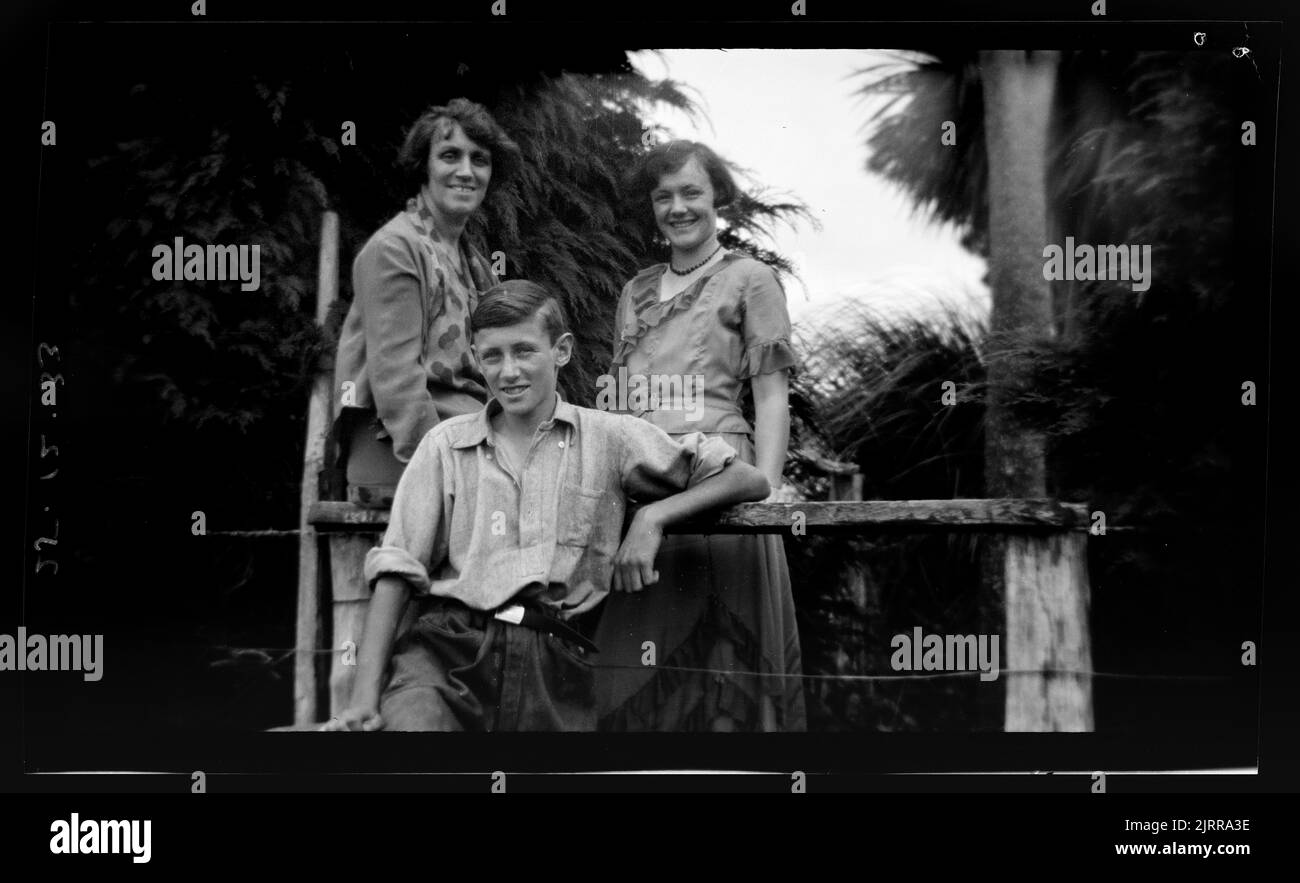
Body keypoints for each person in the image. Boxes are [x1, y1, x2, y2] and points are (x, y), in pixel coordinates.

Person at [322, 280, 771, 732]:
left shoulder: (610, 438)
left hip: (554, 659)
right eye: (493, 356)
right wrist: (363, 701)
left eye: (525, 351)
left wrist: (654, 517)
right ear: (476, 360)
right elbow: (398, 569)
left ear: (561, 351)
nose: (509, 371)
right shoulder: (445, 445)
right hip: (448, 652)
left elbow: (748, 479)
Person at [592, 140, 808, 732]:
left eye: (692, 192)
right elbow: (625, 403)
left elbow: (771, 396)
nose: (678, 207)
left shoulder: (749, 278)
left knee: (722, 666)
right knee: (640, 667)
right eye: (664, 196)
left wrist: (763, 486)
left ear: (718, 199)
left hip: (720, 476)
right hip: (649, 479)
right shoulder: (634, 292)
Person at [332, 98, 518, 508]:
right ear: (423, 166)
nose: (466, 171)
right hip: (406, 461)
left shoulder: (473, 261)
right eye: (450, 156)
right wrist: (452, 480)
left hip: (469, 443)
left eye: (480, 159)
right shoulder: (396, 249)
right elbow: (398, 384)